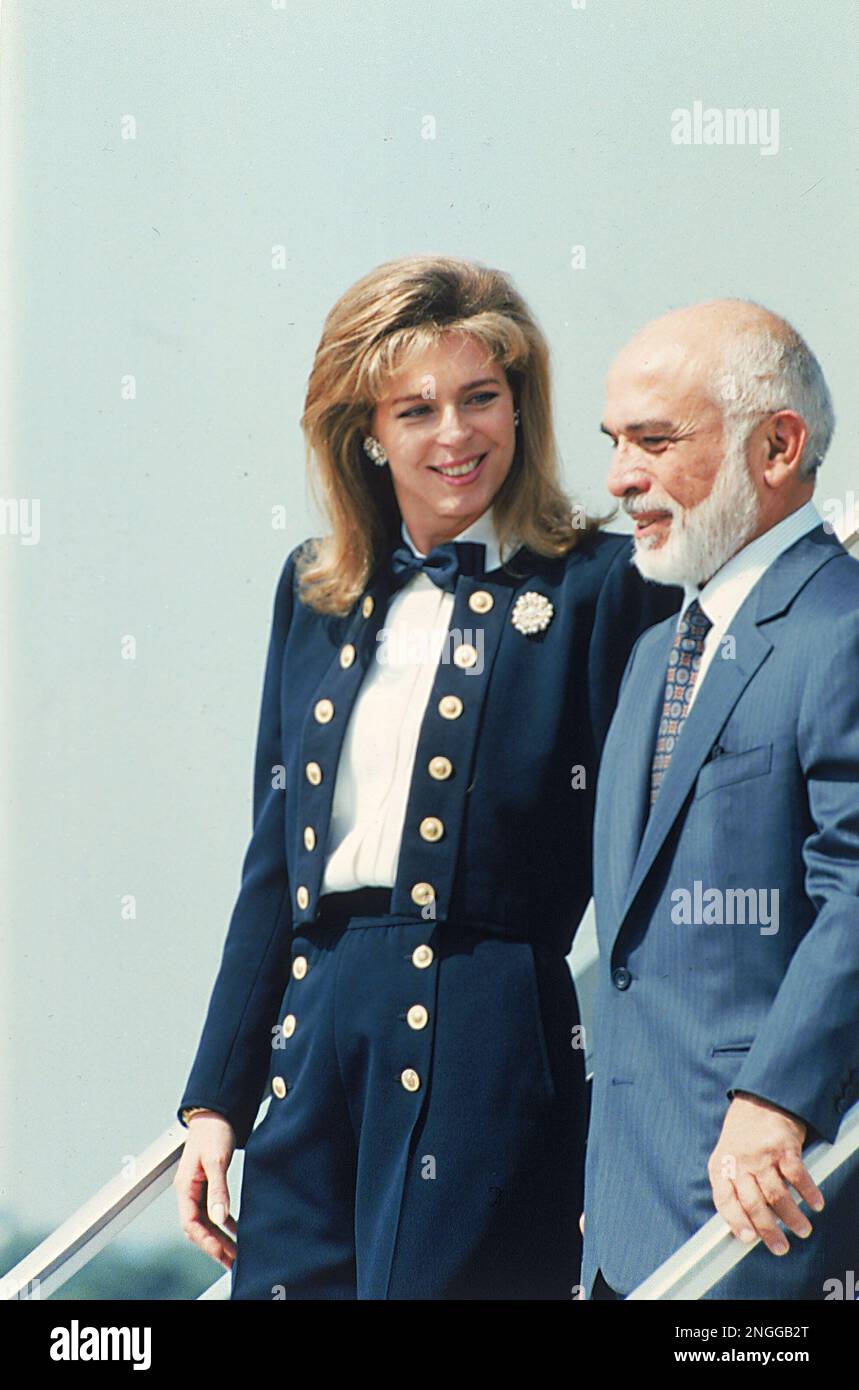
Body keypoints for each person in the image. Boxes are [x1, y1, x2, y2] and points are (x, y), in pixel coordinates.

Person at [173, 254, 679, 1300]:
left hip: (493, 1033)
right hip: (314, 1043)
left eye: (480, 397)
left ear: (520, 405)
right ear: (364, 429)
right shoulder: (315, 589)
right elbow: (275, 864)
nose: (455, 435)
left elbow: (653, 865)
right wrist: (215, 1101)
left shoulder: (602, 585)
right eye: (416, 409)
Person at [581, 299, 859, 1300]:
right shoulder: (655, 652)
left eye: (654, 441)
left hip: (774, 1217)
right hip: (624, 1228)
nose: (619, 478)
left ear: (777, 445)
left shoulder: (843, 627)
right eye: (613, 443)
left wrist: (778, 1097)